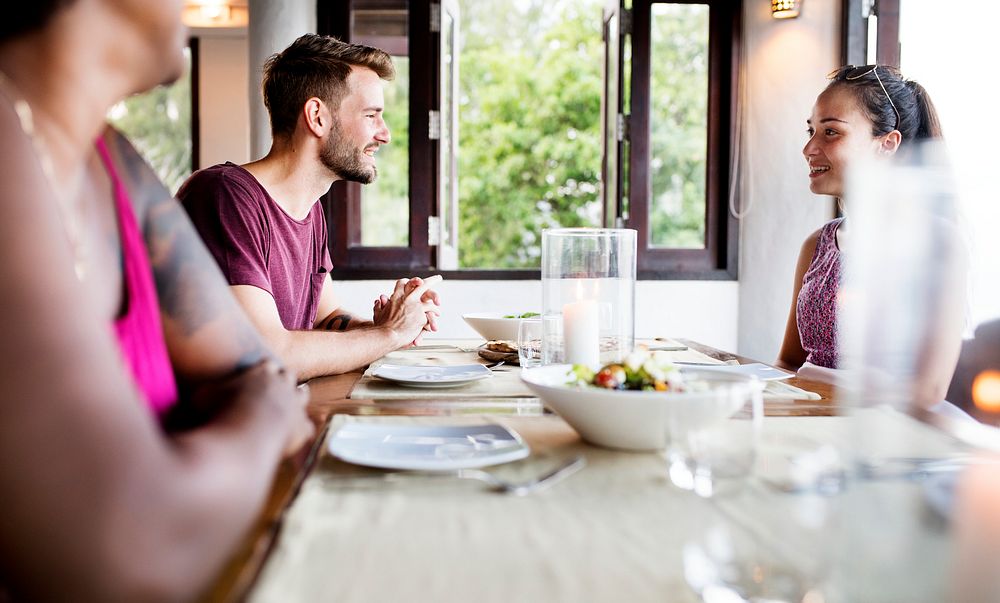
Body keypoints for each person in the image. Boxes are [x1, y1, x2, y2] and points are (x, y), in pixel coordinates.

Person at [0, 1, 313, 600]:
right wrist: (263, 414)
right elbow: (129, 548)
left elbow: (258, 370)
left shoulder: (115, 163)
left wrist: (244, 419)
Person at [178, 34, 440, 382]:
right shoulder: (224, 196)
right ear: (317, 116)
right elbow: (268, 354)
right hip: (209, 432)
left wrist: (382, 326)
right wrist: (388, 334)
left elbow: (324, 317)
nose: (385, 134)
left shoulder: (310, 211)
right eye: (371, 115)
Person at [775, 64, 965, 410]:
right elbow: (788, 363)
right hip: (807, 434)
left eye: (831, 132)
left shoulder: (936, 243)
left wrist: (820, 396)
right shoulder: (816, 246)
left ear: (887, 144)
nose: (809, 148)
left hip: (887, 442)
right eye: (810, 131)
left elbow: (926, 392)